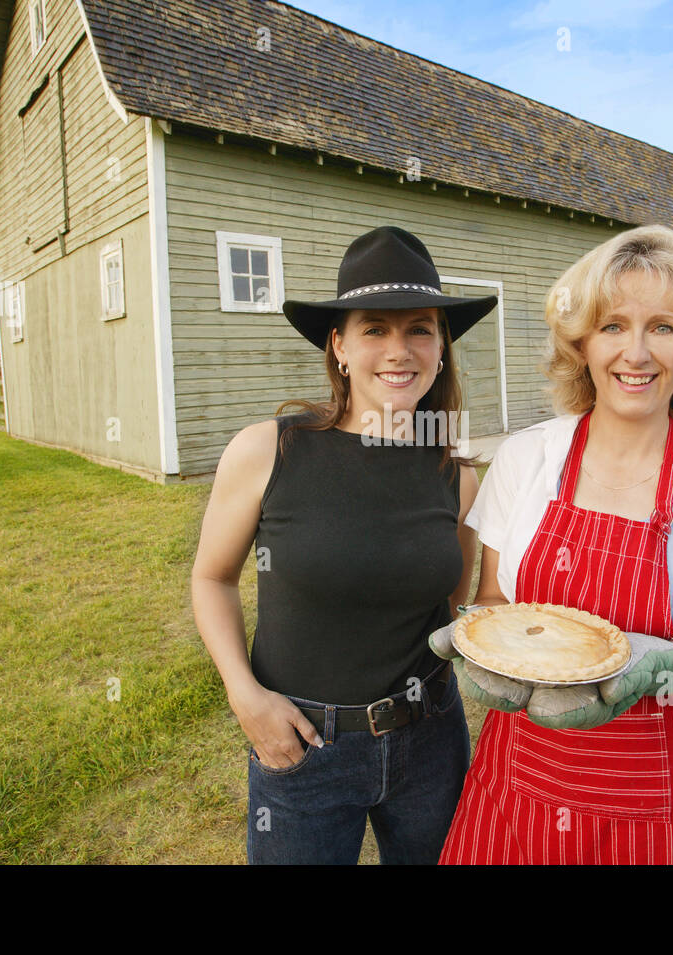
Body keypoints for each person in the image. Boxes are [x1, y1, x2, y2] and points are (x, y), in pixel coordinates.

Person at [434, 224, 673, 864]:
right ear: (581, 342)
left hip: (667, 804)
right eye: (612, 326)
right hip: (524, 784)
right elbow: (493, 602)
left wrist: (656, 669)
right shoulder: (526, 459)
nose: (635, 352)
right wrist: (485, 650)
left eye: (663, 327)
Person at [190, 226, 497, 864]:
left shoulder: (456, 472)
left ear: (441, 346)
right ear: (339, 345)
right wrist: (246, 698)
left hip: (431, 739)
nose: (399, 349)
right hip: (304, 746)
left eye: (419, 328)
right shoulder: (267, 451)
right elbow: (211, 579)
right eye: (374, 328)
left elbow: (448, 605)